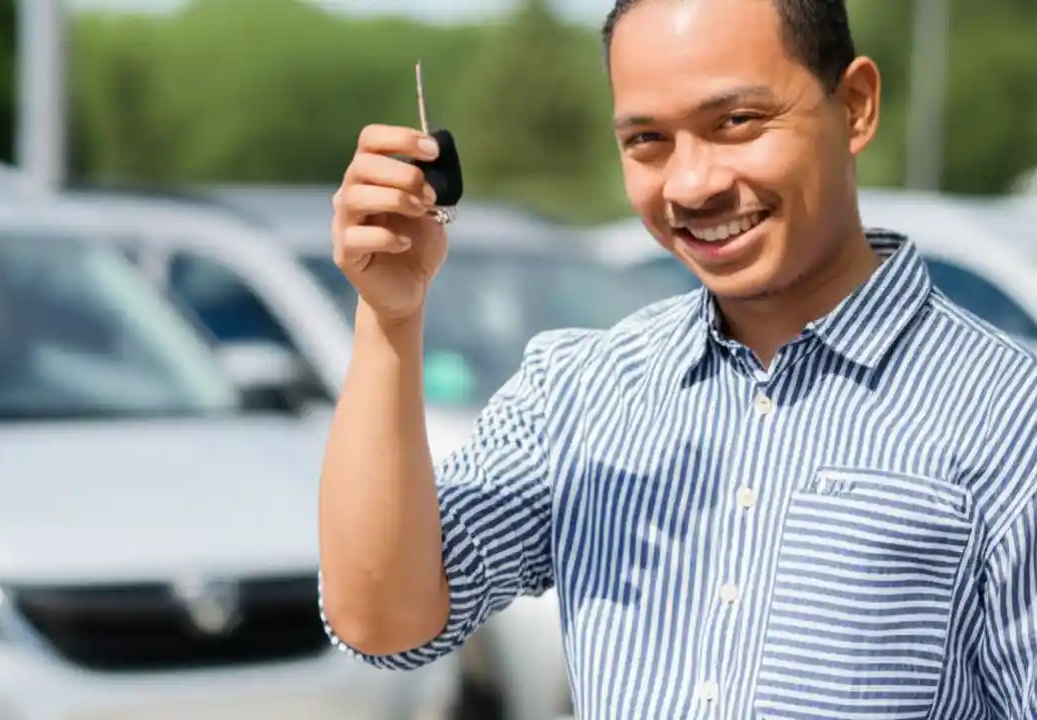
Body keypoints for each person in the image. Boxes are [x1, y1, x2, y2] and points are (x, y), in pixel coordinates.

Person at [317, 0, 1037, 716]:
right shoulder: (582, 392)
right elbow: (385, 624)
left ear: (854, 105)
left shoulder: (1009, 417)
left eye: (736, 122)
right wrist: (390, 315)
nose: (693, 184)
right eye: (648, 140)